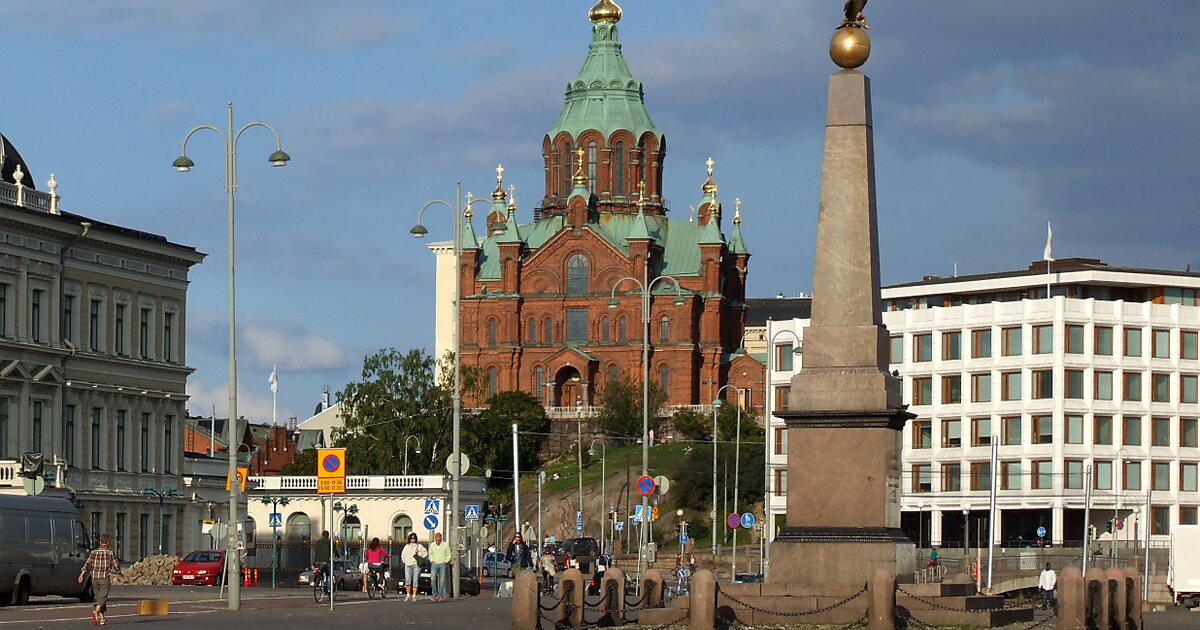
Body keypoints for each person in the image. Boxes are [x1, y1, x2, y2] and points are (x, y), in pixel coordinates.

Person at [78, 534, 122, 626]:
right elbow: (115, 565)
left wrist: (81, 575)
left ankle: (102, 619)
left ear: (101, 542)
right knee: (103, 598)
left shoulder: (93, 552)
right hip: (104, 577)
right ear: (108, 543)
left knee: (99, 598)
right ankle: (95, 612)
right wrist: (119, 573)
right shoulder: (110, 552)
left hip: (94, 578)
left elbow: (87, 564)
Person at [400, 533, 427, 601]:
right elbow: (403, 555)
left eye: (414, 538)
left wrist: (419, 553)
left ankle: (414, 595)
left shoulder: (419, 546)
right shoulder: (406, 546)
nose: (413, 539)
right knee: (407, 580)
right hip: (408, 565)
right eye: (411, 538)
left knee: (415, 580)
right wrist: (405, 561)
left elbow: (425, 554)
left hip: (416, 565)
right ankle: (408, 594)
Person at [428, 532, 452, 602]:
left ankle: (440, 595)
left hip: (442, 563)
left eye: (439, 540)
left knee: (442, 580)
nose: (437, 541)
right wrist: (431, 560)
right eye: (436, 540)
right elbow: (430, 553)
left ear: (441, 538)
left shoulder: (445, 545)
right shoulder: (432, 545)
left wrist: (446, 561)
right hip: (434, 563)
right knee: (432, 579)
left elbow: (449, 554)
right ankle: (434, 593)